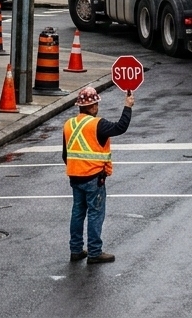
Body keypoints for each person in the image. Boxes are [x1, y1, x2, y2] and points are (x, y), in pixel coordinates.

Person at [64, 85, 132, 264]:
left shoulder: (69, 124)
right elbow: (120, 127)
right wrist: (128, 106)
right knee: (95, 213)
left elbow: (66, 154)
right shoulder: (97, 124)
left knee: (77, 213)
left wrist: (77, 168)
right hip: (94, 177)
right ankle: (94, 252)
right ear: (93, 106)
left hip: (75, 177)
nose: (97, 107)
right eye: (96, 104)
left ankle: (76, 250)